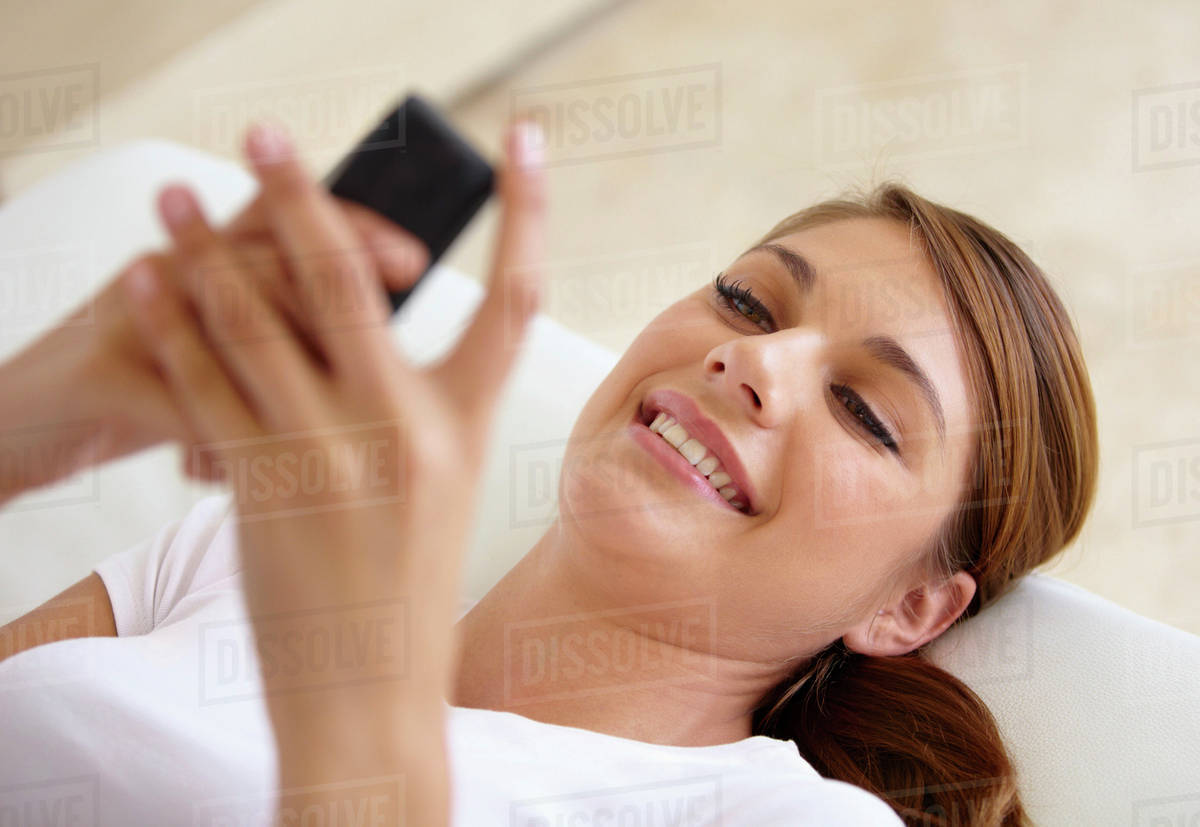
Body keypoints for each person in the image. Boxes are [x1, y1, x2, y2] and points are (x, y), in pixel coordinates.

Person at [0, 117, 1097, 827]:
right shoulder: (251, 551)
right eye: (749, 300)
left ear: (910, 606)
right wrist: (42, 422)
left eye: (865, 409)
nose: (751, 357)